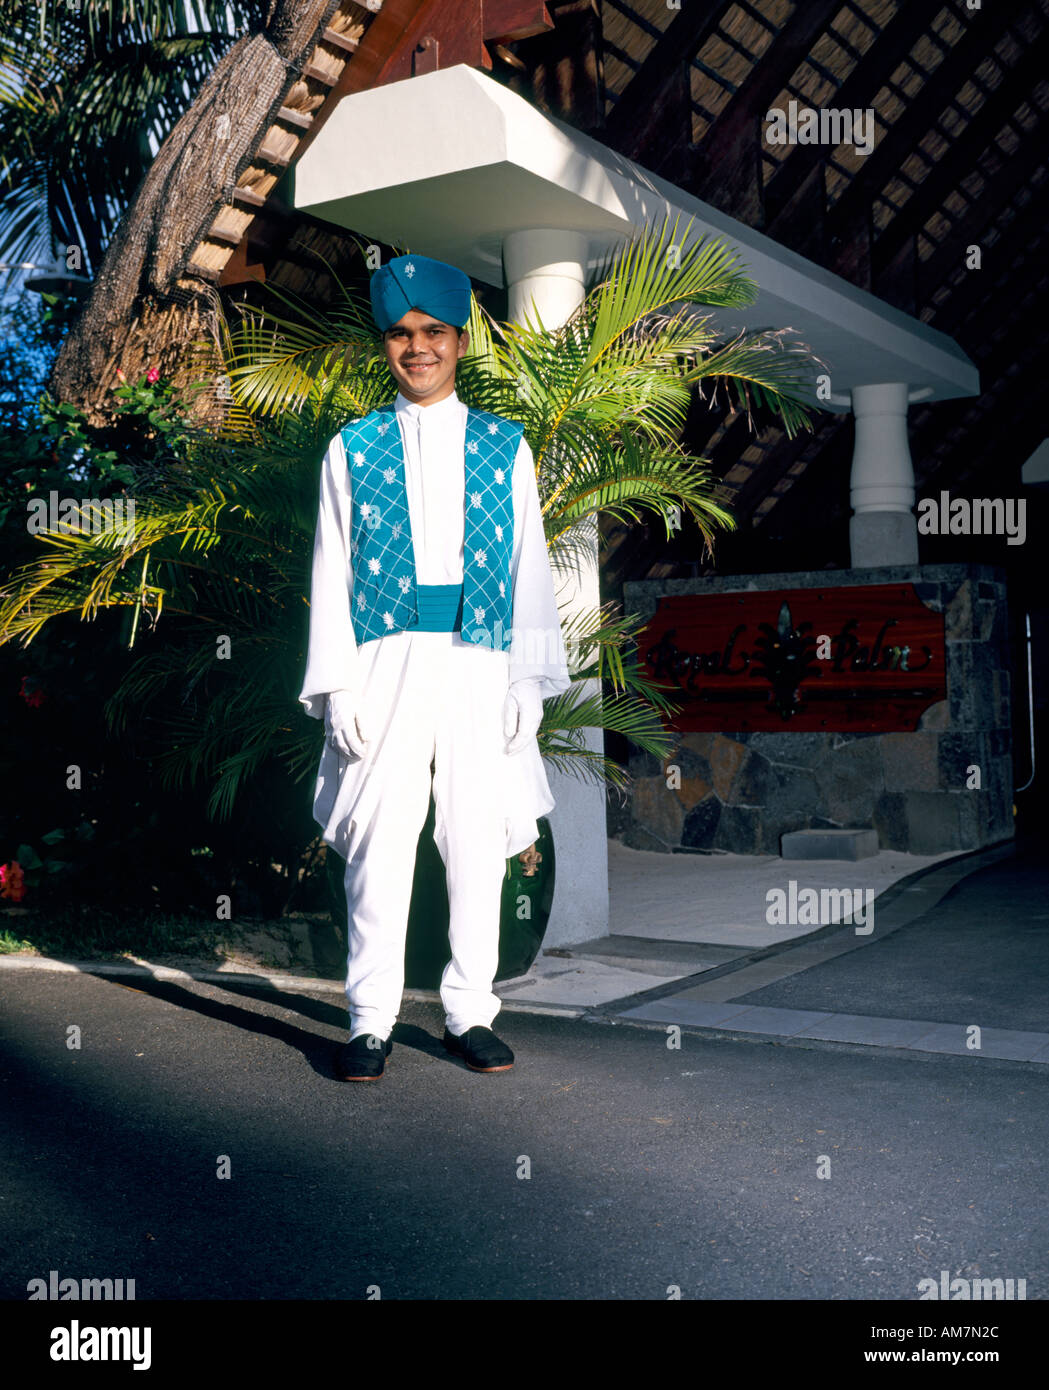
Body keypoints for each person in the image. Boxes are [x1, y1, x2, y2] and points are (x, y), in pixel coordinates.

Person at [298, 253, 570, 1081]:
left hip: (480, 660)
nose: (416, 348)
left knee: (476, 840)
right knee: (382, 843)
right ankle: (369, 1020)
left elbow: (530, 566)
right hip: (384, 663)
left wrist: (527, 677)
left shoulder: (504, 446)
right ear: (386, 343)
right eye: (400, 334)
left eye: (433, 333)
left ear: (459, 340)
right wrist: (336, 681)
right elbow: (330, 569)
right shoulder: (351, 448)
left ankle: (468, 1012)